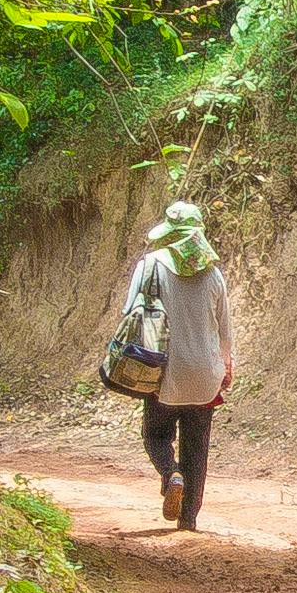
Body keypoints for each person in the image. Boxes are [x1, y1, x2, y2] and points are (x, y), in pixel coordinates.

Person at [121, 197, 237, 531]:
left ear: (170, 234)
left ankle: (171, 473)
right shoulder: (214, 274)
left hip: (163, 370)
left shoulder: (150, 264)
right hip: (206, 374)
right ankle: (188, 519)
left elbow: (130, 311)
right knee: (197, 445)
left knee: (155, 435)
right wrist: (226, 367)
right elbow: (224, 330)